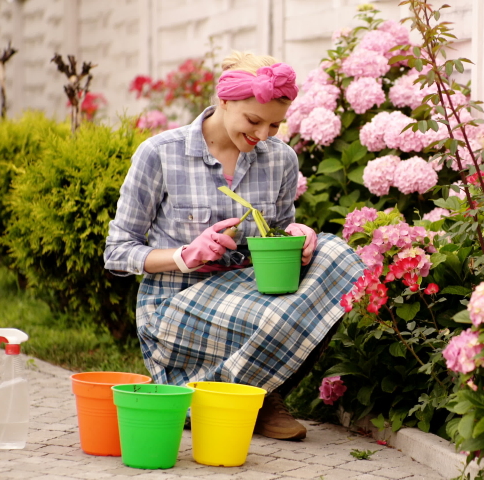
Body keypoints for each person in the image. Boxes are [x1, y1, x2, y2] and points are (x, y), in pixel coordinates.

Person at [104, 51, 365, 440]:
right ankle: (250, 396)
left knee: (338, 256)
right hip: (176, 301)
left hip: (250, 292)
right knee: (277, 318)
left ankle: (252, 392)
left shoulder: (280, 159)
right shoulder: (160, 153)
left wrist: (296, 236)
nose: (262, 135)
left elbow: (273, 234)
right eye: (254, 121)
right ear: (224, 101)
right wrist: (185, 254)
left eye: (274, 125)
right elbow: (117, 252)